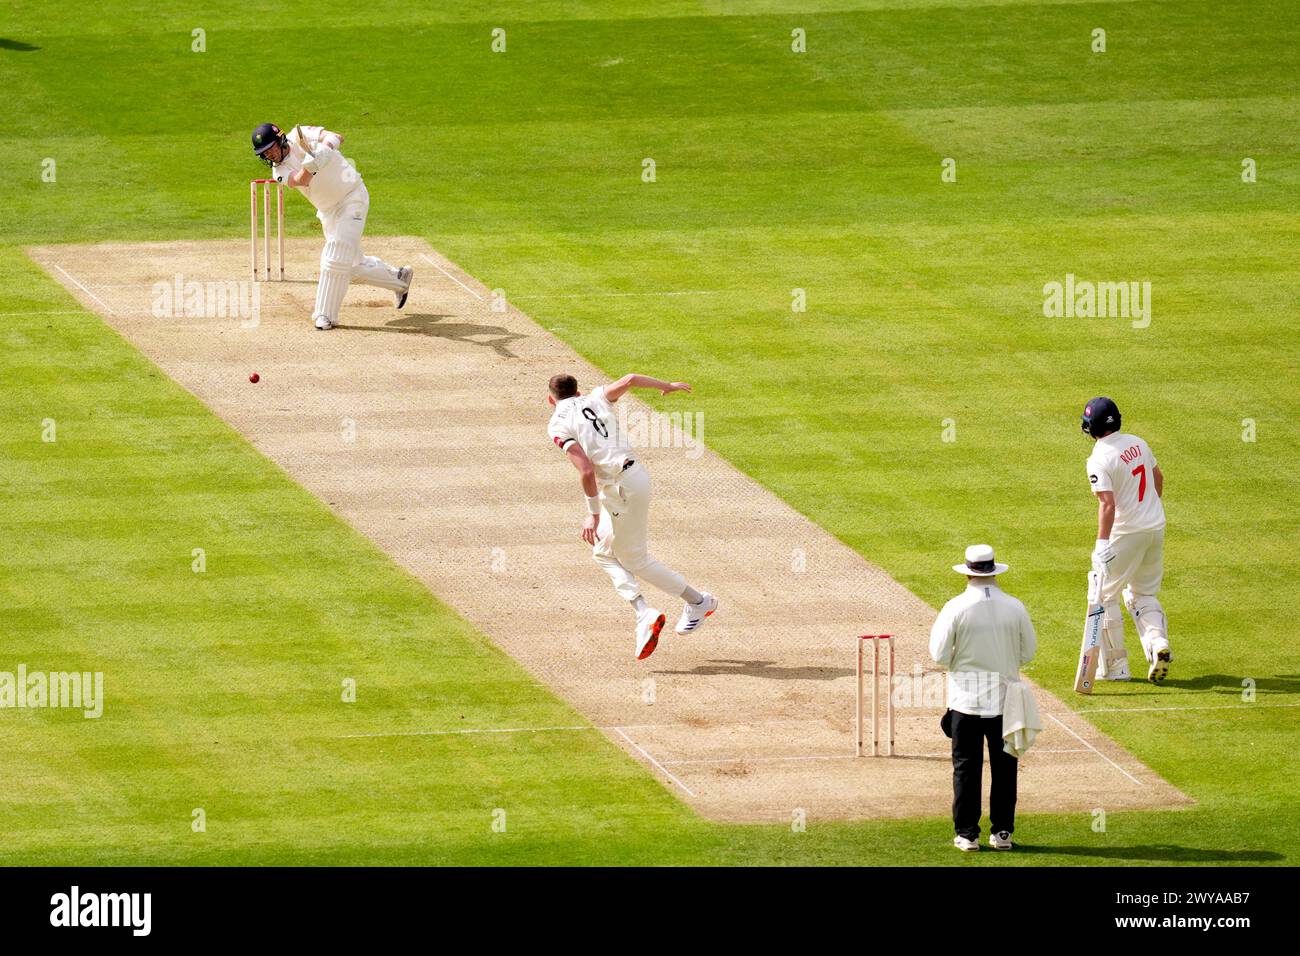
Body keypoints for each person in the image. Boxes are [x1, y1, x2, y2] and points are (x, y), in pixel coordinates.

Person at [546, 373, 717, 660]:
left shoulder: (557, 424)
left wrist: (592, 515)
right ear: (578, 392)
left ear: (551, 399)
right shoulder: (596, 396)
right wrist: (667, 386)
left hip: (622, 488)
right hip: (631, 479)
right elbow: (630, 379)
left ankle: (694, 602)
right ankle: (649, 611)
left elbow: (586, 471)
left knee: (634, 559)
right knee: (603, 552)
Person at [250, 122, 412, 331]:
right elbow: (301, 180)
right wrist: (312, 163)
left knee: (334, 257)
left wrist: (324, 149)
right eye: (264, 153)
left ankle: (325, 314)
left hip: (352, 197)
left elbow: (336, 136)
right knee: (350, 266)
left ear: (280, 139)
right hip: (328, 212)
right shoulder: (278, 171)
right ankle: (399, 279)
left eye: (270, 148)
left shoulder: (301, 135)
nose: (270, 155)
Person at [930, 545, 1036, 852]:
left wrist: (959, 661)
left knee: (966, 766)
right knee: (1005, 768)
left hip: (967, 701)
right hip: (1005, 700)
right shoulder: (1015, 606)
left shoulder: (955, 607)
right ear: (993, 572)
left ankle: (967, 834)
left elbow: (938, 654)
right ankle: (1003, 833)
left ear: (967, 573)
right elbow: (1027, 652)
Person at [1080, 397, 1171, 683]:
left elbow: (1107, 504)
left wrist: (1101, 544)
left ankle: (1116, 667)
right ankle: (1158, 644)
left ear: (1090, 428)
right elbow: (1158, 478)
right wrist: (1148, 511)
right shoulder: (1138, 442)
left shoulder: (1099, 458)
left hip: (1126, 533)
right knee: (1142, 594)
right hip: (1155, 528)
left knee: (1103, 595)